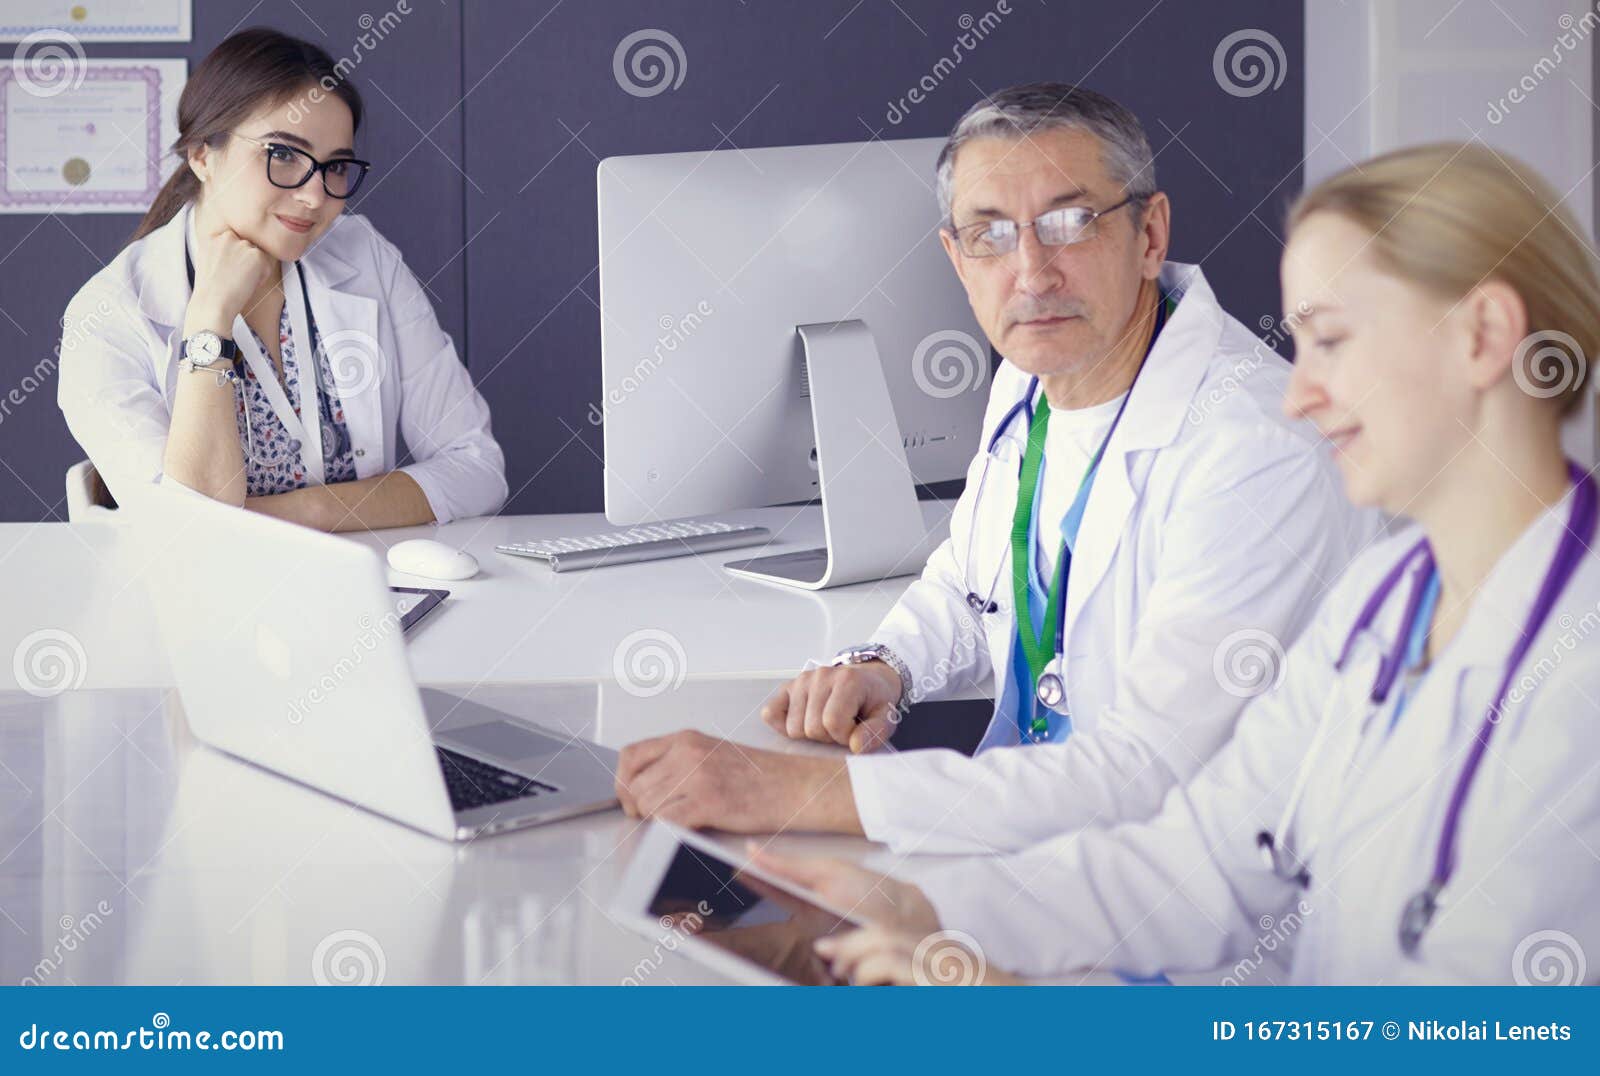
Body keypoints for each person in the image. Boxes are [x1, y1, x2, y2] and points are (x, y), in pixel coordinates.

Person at [755, 142, 1600, 985]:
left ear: (1485, 336)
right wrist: (937, 914)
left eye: (1333, 340)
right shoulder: (1387, 598)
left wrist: (1018, 1004)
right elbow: (1204, 857)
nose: (1301, 393)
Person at [616, 83, 1374, 853]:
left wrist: (790, 790)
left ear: (1150, 234)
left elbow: (1152, 774)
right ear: (956, 256)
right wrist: (888, 667)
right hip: (1031, 849)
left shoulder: (1256, 451)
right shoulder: (1035, 371)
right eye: (991, 235)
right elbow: (973, 576)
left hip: (1189, 912)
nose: (1032, 273)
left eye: (1071, 223)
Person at [58, 28, 506, 530]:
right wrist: (209, 317)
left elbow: (476, 465)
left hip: (358, 591)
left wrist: (310, 512)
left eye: (335, 165)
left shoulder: (365, 256)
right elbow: (184, 533)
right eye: (283, 154)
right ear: (202, 154)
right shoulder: (105, 316)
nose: (316, 197)